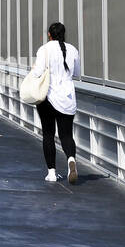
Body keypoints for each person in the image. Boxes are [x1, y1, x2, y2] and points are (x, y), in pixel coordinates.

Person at [29, 21, 81, 182]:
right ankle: (71, 160)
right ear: (64, 34)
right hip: (67, 98)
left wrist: (33, 68)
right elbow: (77, 73)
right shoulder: (72, 50)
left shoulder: (44, 49)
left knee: (48, 134)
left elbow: (38, 73)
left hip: (47, 98)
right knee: (66, 135)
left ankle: (51, 172)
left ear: (49, 35)